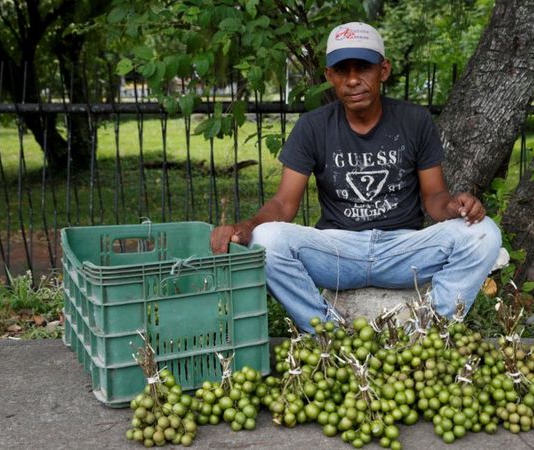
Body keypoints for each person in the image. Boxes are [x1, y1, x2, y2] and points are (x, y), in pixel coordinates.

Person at [211, 22, 502, 333]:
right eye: (342, 70)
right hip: (337, 253)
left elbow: (434, 198)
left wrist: (455, 207)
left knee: (484, 232)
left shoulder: (414, 120)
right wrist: (249, 226)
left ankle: (428, 332)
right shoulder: (313, 126)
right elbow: (283, 204)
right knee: (265, 240)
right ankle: (328, 333)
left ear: (383, 70)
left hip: (402, 250)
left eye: (363, 67)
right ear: (329, 76)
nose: (352, 80)